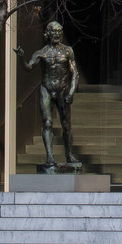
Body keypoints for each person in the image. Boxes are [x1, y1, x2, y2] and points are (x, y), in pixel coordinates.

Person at [24, 20, 79, 172]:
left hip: (62, 89)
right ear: (48, 34)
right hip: (46, 89)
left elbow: (75, 74)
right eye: (54, 32)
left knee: (66, 125)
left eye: (59, 32)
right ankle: (49, 156)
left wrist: (71, 91)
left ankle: (69, 154)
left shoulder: (68, 51)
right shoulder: (41, 52)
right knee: (47, 122)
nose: (57, 35)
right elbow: (28, 67)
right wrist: (21, 58)